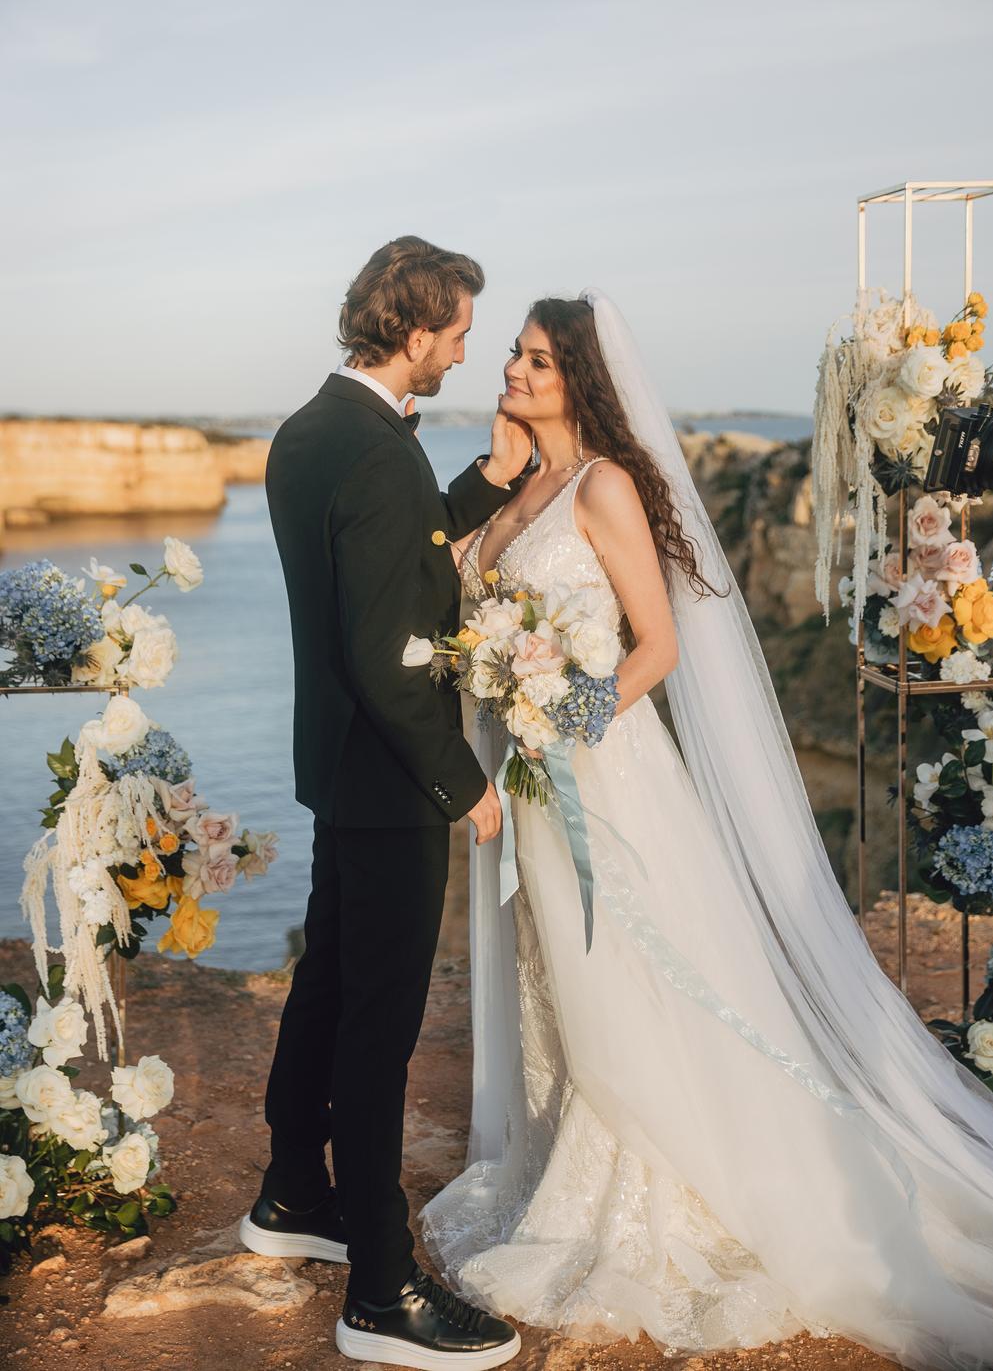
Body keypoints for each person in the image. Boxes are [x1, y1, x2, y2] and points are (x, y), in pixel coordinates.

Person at [420, 292, 993, 1370]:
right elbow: (454, 585)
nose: (515, 369)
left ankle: (657, 1169)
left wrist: (565, 713)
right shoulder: (526, 485)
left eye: (540, 362)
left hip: (600, 770)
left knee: (625, 963)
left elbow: (654, 645)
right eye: (514, 353)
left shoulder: (604, 485)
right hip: (528, 771)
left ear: (582, 382)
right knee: (558, 966)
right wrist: (495, 481)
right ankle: (567, 1149)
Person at [241, 236, 528, 1369]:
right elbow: (385, 650)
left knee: (326, 987)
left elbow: (395, 566)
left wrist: (485, 482)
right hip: (394, 776)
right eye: (456, 333)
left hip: (338, 769)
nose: (464, 352)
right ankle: (380, 1288)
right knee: (378, 1025)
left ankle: (287, 1195)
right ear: (414, 334)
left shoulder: (314, 432)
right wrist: (463, 786)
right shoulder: (373, 455)